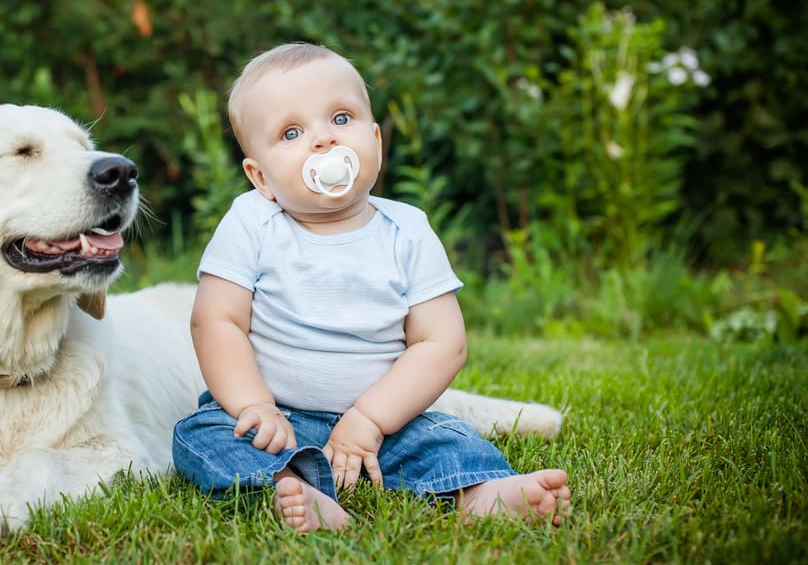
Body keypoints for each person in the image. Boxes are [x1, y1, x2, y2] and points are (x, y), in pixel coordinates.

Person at [171, 43, 571, 533]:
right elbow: (217, 320)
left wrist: (371, 420)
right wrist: (254, 405)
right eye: (292, 132)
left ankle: (483, 490)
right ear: (261, 177)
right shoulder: (253, 221)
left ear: (376, 142)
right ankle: (289, 483)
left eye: (341, 118)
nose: (323, 140)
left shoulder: (408, 231)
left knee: (446, 437)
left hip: (384, 423)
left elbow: (442, 342)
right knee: (200, 434)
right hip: (277, 420)